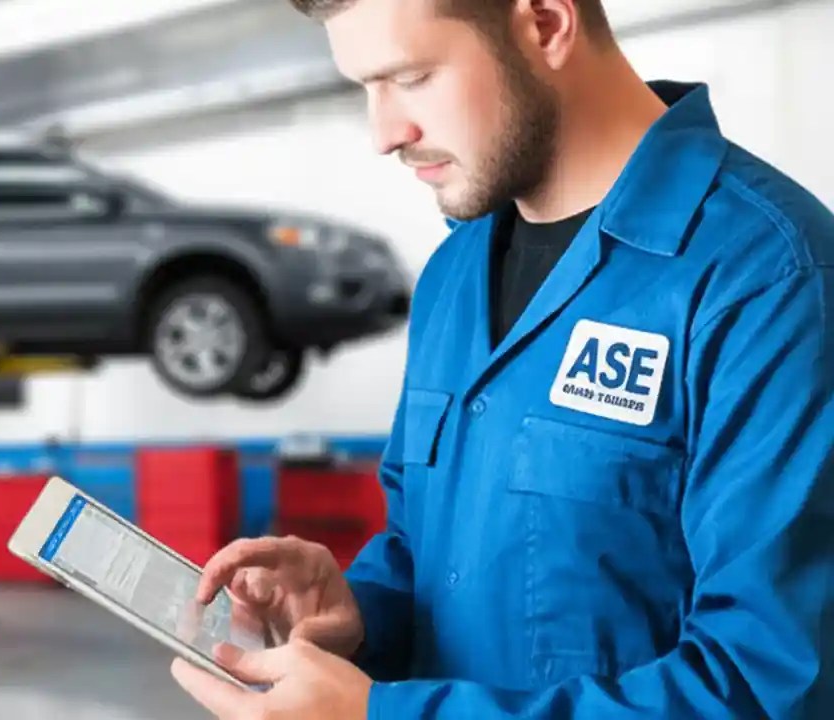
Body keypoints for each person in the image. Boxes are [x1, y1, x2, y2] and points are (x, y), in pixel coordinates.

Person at [169, 0, 834, 717]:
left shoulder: (766, 278)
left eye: (413, 76)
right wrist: (364, 615)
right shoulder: (454, 275)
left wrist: (385, 716)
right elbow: (424, 550)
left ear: (546, 23)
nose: (384, 133)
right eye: (365, 87)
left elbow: (768, 682)